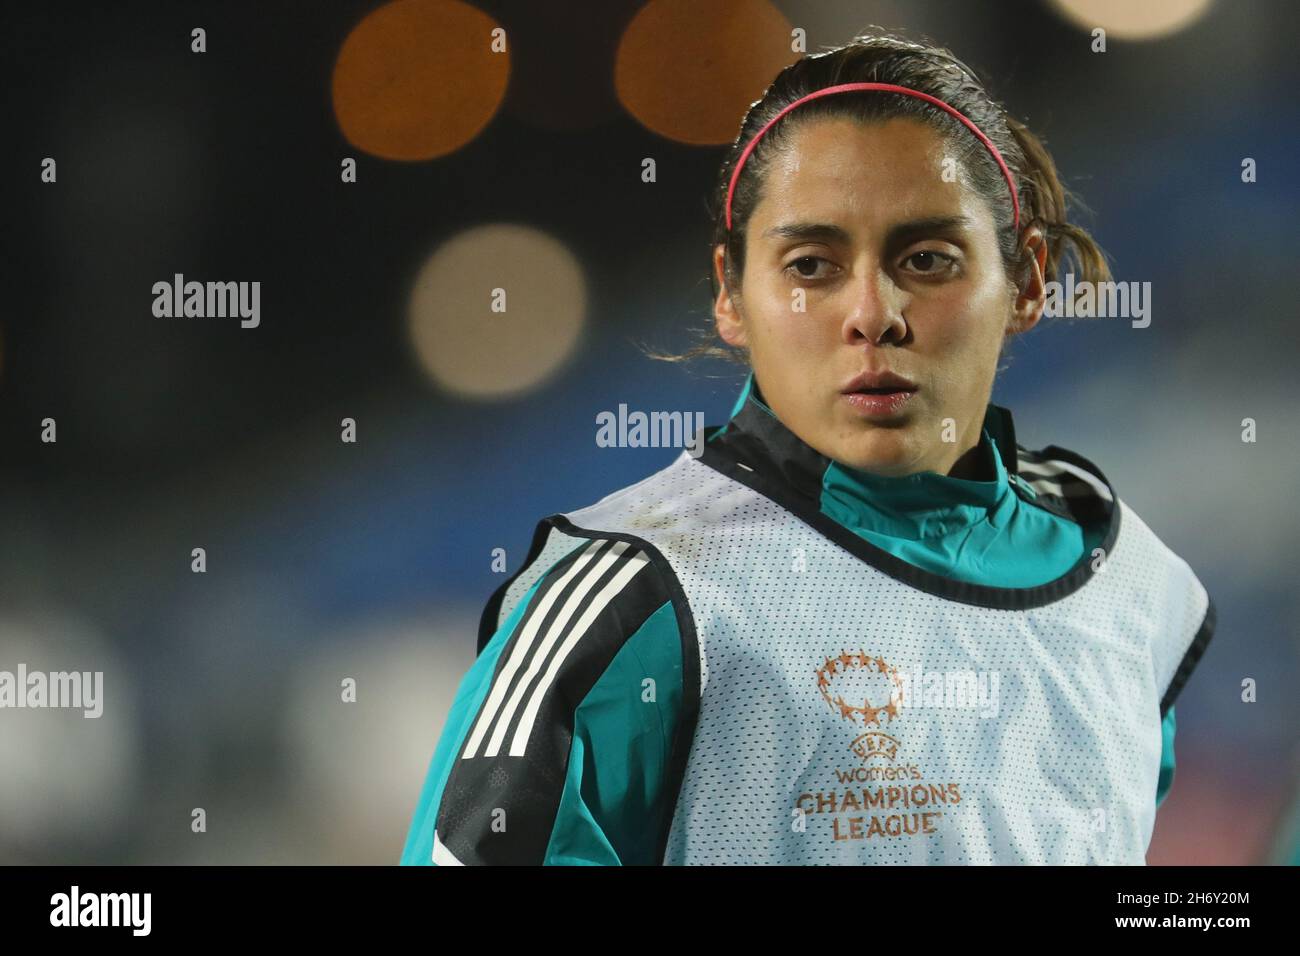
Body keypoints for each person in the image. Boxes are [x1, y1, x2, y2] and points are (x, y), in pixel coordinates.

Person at [400, 30, 1214, 865]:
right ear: (730, 294)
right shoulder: (636, 603)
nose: (873, 313)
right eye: (812, 266)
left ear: (1029, 280)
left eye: (928, 259)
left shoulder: (1129, 583)